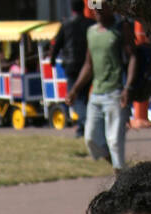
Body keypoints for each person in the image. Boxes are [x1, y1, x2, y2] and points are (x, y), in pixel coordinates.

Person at [66, 2, 138, 171]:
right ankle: (123, 173)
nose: (96, 8)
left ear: (111, 6)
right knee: (91, 139)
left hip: (116, 93)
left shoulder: (121, 28)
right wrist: (75, 89)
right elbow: (88, 65)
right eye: (93, 4)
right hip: (96, 93)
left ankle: (121, 177)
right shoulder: (91, 32)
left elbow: (133, 57)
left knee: (114, 142)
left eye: (101, 4)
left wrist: (128, 87)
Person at [51, 0, 92, 137]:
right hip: (87, 65)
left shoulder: (66, 24)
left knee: (74, 96)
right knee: (84, 96)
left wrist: (52, 59)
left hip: (71, 65)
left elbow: (57, 44)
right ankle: (82, 128)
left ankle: (85, 122)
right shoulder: (90, 24)